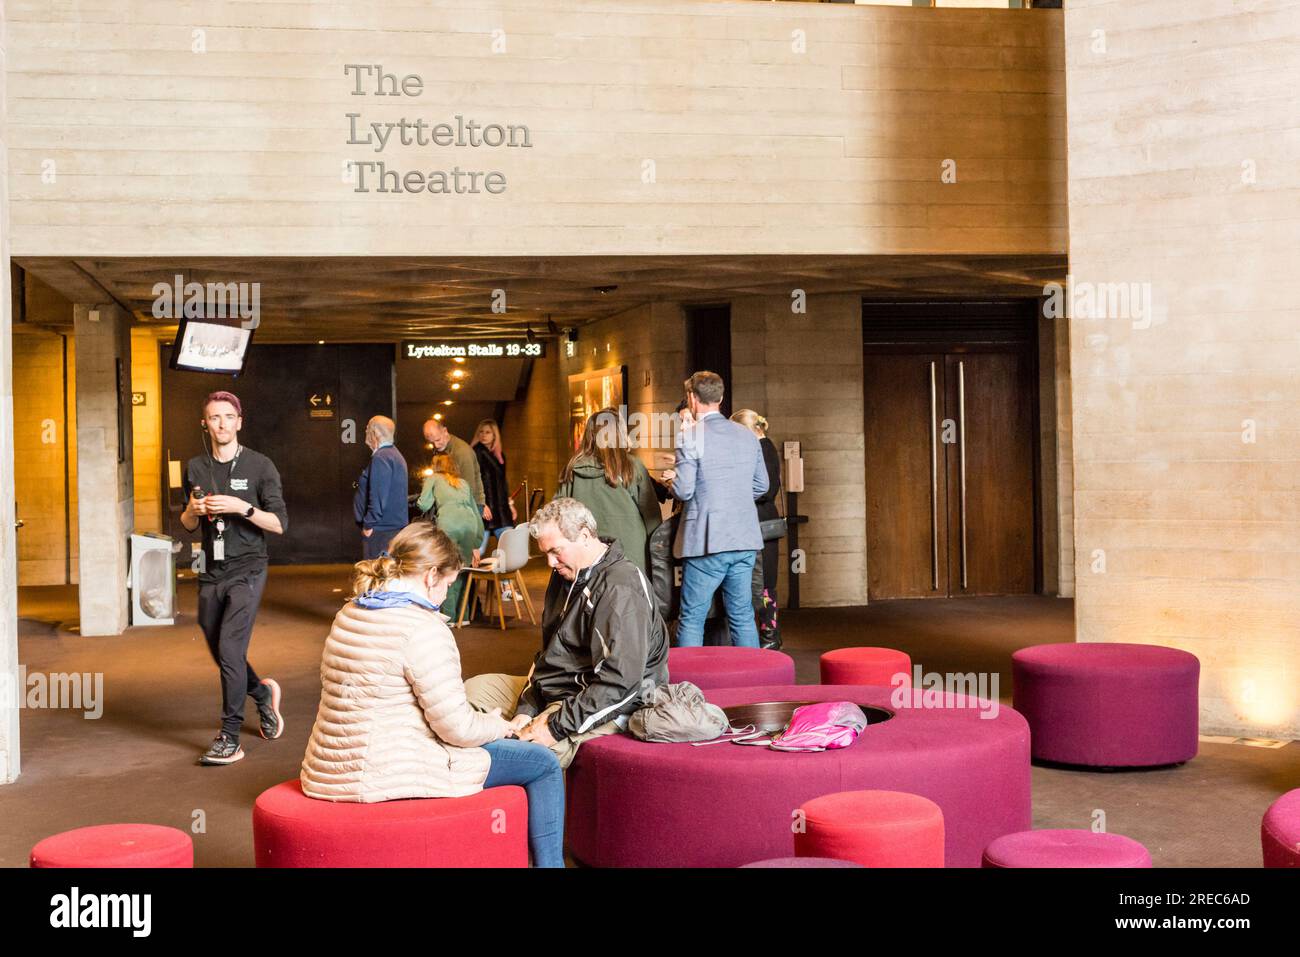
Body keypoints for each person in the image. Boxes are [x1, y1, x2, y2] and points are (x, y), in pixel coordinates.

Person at [300, 523, 564, 867]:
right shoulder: (422, 629)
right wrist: (499, 726)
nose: (445, 597)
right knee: (542, 764)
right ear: (430, 576)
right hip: (391, 769)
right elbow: (457, 730)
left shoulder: (351, 611)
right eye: (449, 585)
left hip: (328, 767)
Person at [464, 498, 668, 768]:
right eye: (545, 553)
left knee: (524, 756)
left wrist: (553, 726)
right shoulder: (566, 574)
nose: (549, 562)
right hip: (562, 686)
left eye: (555, 551)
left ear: (584, 536)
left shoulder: (620, 588)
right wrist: (527, 707)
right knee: (471, 691)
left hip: (610, 699)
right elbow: (549, 656)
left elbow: (620, 683)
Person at [180, 391, 289, 766]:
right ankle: (260, 692)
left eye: (229, 417)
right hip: (212, 571)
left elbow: (278, 524)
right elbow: (188, 523)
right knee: (218, 646)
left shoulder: (260, 466)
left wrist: (241, 507)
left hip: (249, 568)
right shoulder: (196, 466)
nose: (222, 424)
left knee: (230, 649)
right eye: (214, 418)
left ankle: (229, 736)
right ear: (205, 423)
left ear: (239, 422)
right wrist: (193, 510)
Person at [671, 371, 768, 648]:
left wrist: (673, 482)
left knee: (692, 618)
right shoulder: (748, 436)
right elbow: (762, 484)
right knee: (742, 615)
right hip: (744, 537)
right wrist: (731, 497)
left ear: (691, 398)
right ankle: (752, 685)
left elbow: (684, 490)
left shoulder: (690, 437)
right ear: (721, 398)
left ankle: (691, 687)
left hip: (707, 540)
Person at [556, 408, 661, 575]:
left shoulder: (572, 469)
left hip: (587, 553)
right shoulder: (632, 466)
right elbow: (652, 517)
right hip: (630, 554)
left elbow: (558, 511)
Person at [732, 409, 782, 649]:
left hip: (761, 523)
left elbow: (766, 489)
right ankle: (768, 635)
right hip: (761, 521)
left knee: (764, 581)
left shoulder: (763, 450)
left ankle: (769, 636)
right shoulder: (763, 448)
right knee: (763, 581)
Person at [416, 453, 484, 620]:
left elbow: (423, 504)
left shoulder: (434, 479)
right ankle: (464, 616)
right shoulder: (463, 483)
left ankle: (449, 617)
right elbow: (476, 512)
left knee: (446, 571)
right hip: (470, 525)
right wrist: (477, 541)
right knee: (462, 570)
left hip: (449, 525)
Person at [353, 415, 409, 559]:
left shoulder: (381, 458)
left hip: (381, 532)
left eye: (367, 430)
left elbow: (378, 497)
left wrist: (368, 526)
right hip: (391, 530)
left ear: (374, 433)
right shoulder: (395, 455)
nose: (365, 433)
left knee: (377, 577)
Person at [422, 418, 486, 523]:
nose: (436, 446)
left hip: (468, 507)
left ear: (445, 431)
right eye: (431, 443)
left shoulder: (462, 453)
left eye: (438, 440)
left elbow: (469, 488)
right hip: (455, 506)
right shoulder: (441, 449)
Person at [472, 418, 516, 552]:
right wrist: (481, 504)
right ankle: (465, 573)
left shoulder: (499, 455)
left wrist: (510, 505)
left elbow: (503, 483)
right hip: (484, 508)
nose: (483, 435)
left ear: (494, 435)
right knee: (478, 551)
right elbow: (472, 482)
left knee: (511, 548)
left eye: (488, 432)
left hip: (500, 508)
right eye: (481, 432)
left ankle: (503, 572)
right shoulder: (475, 453)